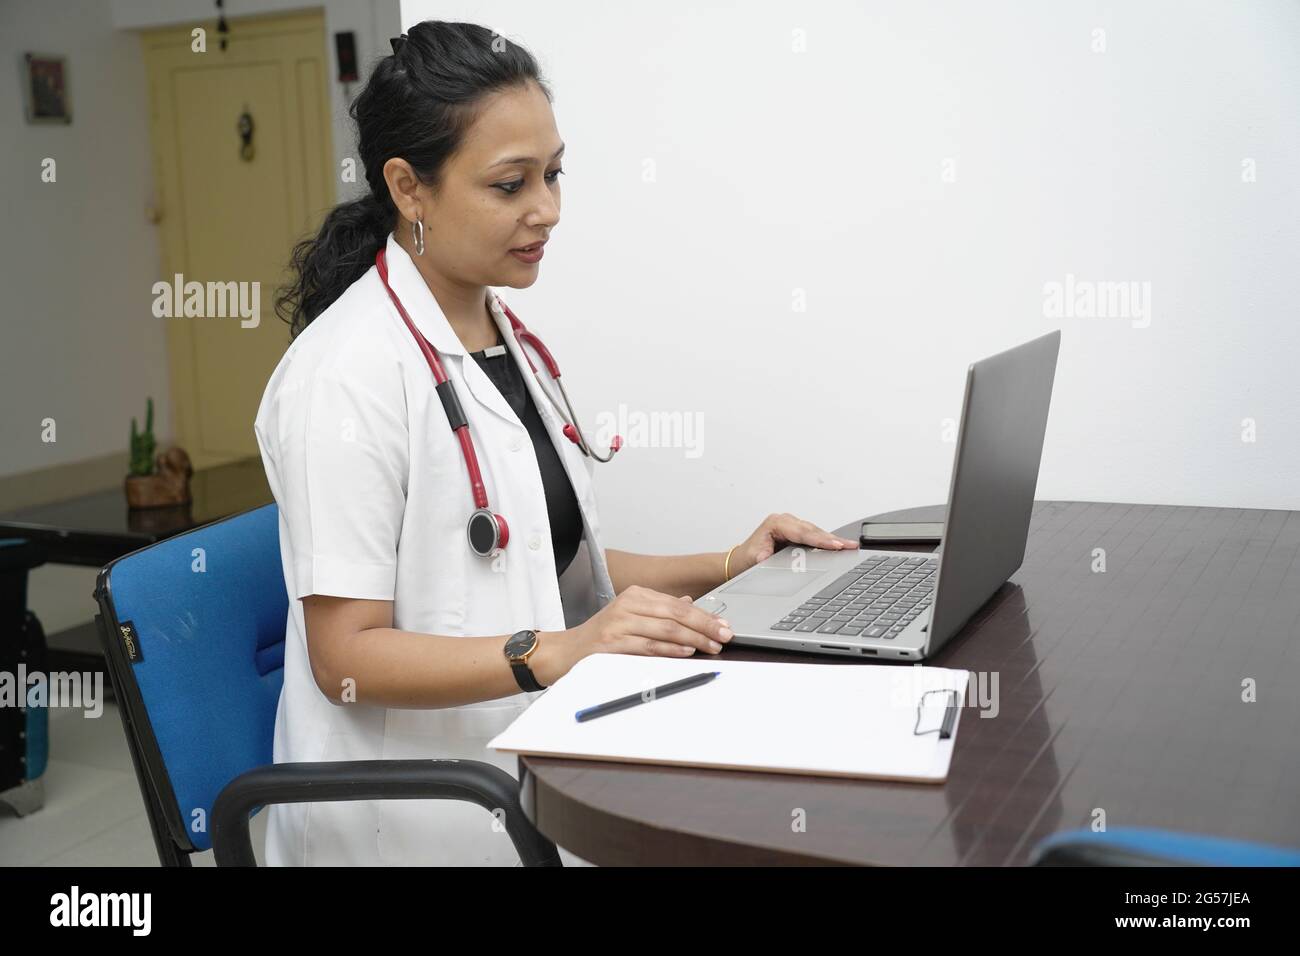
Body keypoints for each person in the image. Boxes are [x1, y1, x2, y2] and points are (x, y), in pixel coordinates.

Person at [254, 19, 858, 866]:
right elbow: (345, 656)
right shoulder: (342, 378)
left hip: (524, 758)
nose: (550, 209)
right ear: (408, 186)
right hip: (406, 814)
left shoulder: (506, 341)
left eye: (554, 173)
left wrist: (729, 563)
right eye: (511, 184)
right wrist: (563, 650)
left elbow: (539, 556)